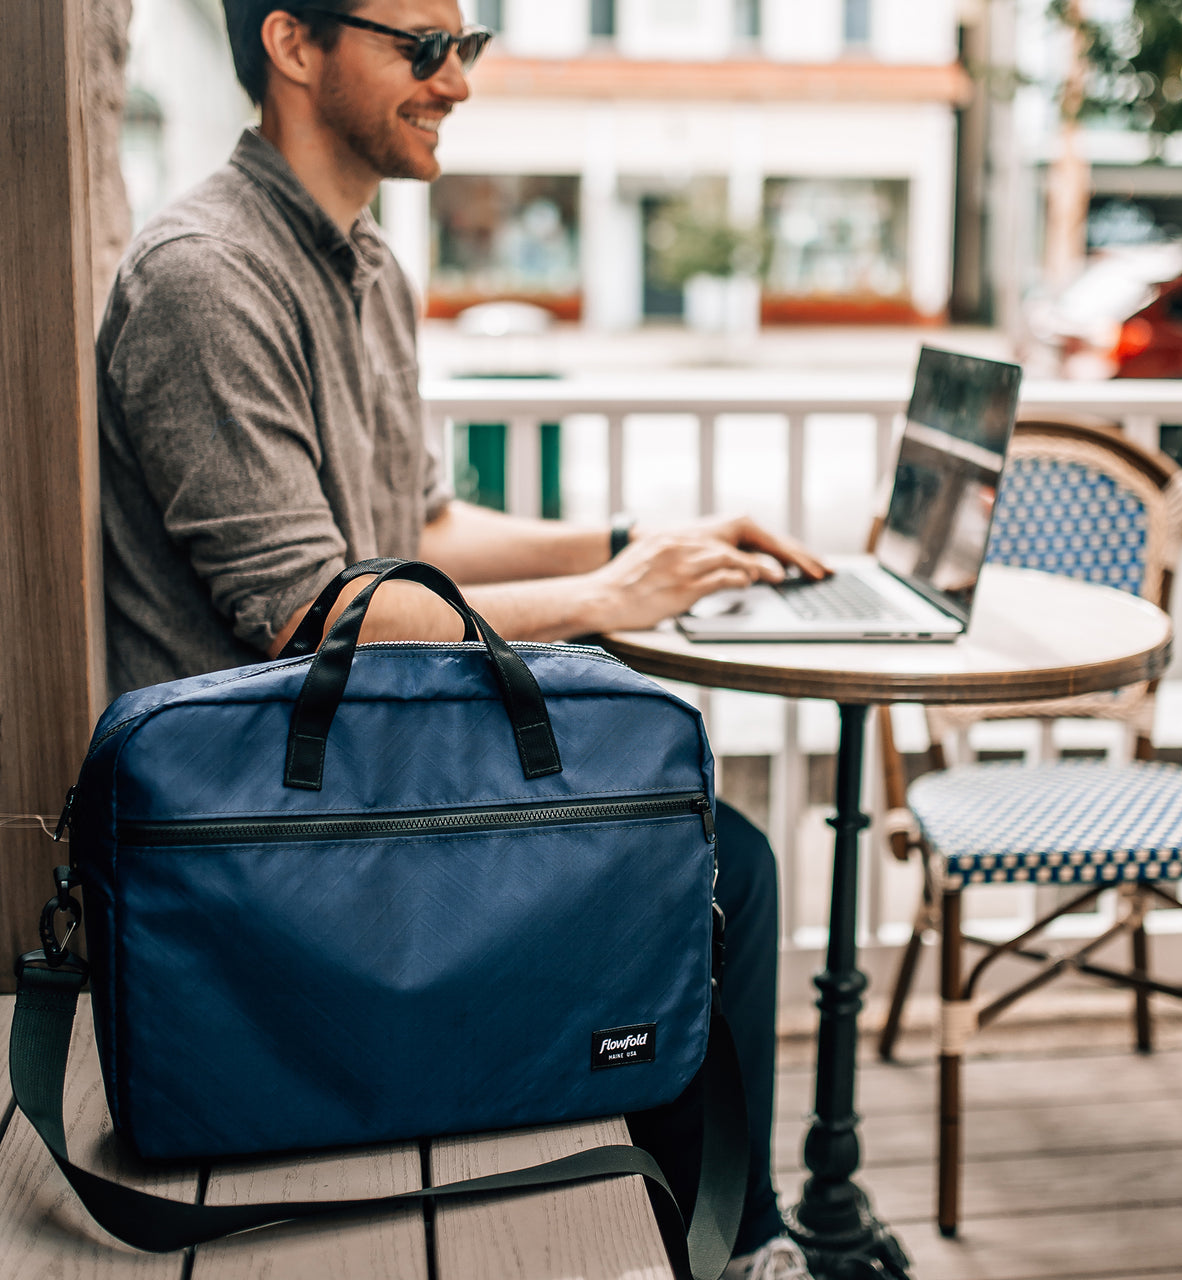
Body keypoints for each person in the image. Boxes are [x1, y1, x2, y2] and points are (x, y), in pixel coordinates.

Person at [96, 5, 828, 1277]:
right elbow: (313, 610)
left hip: (356, 746)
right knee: (704, 857)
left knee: (703, 846)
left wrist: (632, 538)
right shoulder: (203, 273)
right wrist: (611, 596)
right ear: (292, 43)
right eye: (423, 46)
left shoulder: (365, 264)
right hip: (259, 820)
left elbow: (420, 523)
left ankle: (711, 1230)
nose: (459, 82)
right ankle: (729, 1242)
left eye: (467, 44)